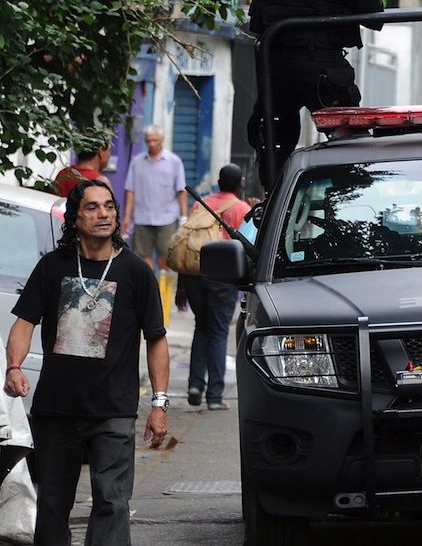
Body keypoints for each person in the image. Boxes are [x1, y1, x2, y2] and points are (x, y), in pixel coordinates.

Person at [4, 179, 169, 546]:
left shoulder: (136, 272)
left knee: (112, 503)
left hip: (113, 411)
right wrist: (14, 367)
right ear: (74, 220)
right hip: (56, 411)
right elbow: (24, 322)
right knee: (52, 504)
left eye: (108, 205)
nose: (103, 214)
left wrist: (159, 403)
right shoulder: (52, 267)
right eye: (92, 207)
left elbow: (156, 339)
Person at [247, 0, 384, 187]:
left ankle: (275, 211)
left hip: (276, 66)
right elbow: (375, 16)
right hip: (323, 67)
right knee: (349, 149)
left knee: (273, 155)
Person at [175, 164, 251, 410]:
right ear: (240, 183)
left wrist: (181, 284)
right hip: (223, 277)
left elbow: (188, 242)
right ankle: (215, 396)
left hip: (195, 275)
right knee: (218, 333)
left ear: (218, 182)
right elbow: (249, 247)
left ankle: (195, 385)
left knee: (202, 327)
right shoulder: (242, 209)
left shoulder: (201, 203)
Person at [121, 125, 188, 272]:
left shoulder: (174, 161)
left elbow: (181, 191)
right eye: (148, 141)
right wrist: (127, 216)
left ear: (162, 140)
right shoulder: (136, 162)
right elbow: (130, 190)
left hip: (167, 218)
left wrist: (184, 216)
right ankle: (149, 288)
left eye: (154, 140)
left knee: (166, 257)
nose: (151, 144)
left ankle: (164, 292)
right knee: (142, 257)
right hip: (142, 217)